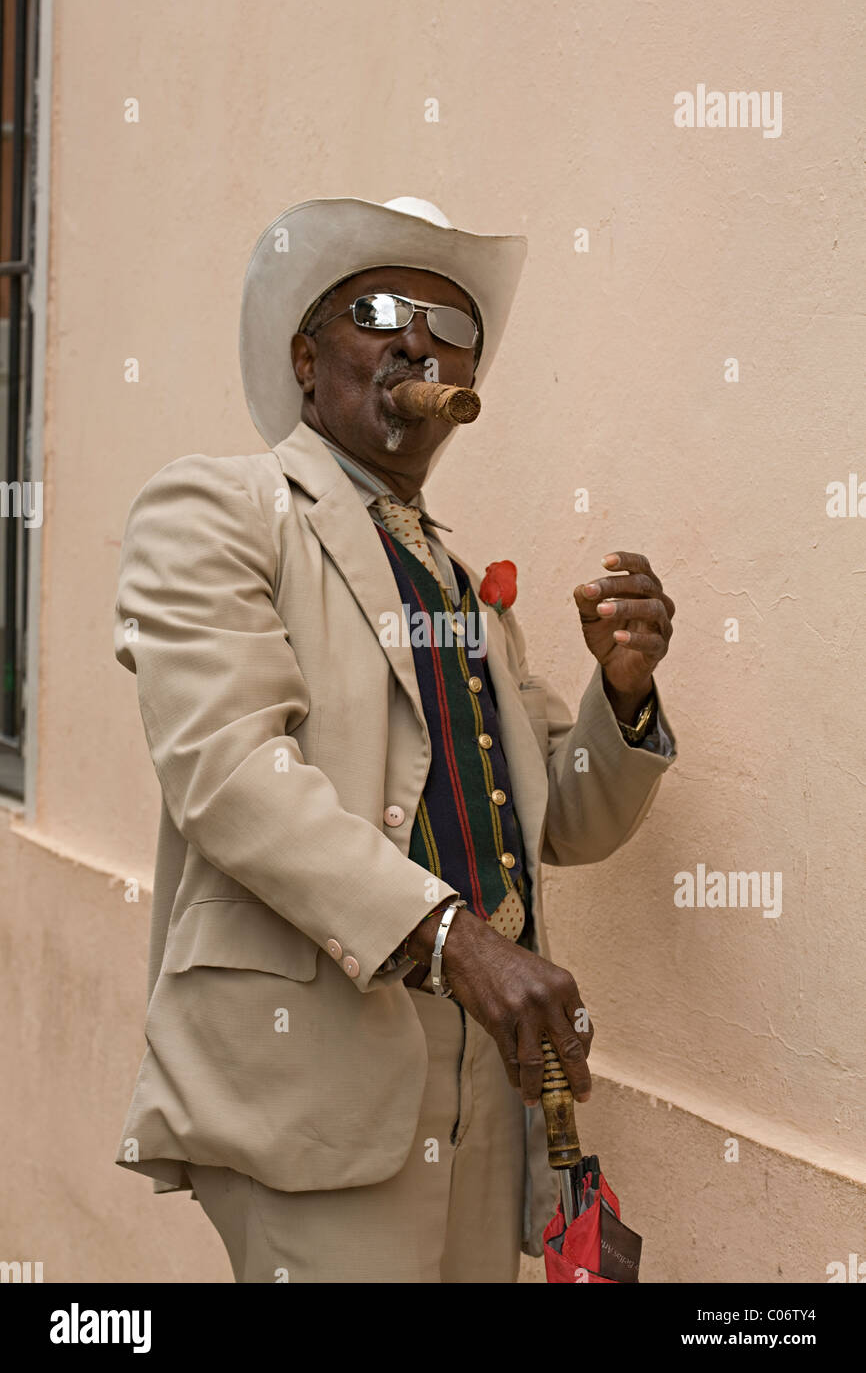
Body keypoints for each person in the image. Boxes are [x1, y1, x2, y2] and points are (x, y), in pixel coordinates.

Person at [113, 195, 677, 1283]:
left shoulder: (462, 588)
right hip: (320, 1069)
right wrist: (458, 941)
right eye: (377, 309)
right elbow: (229, 774)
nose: (417, 340)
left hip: (486, 1079)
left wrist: (623, 693)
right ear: (304, 354)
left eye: (448, 324)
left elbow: (558, 819)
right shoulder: (216, 509)